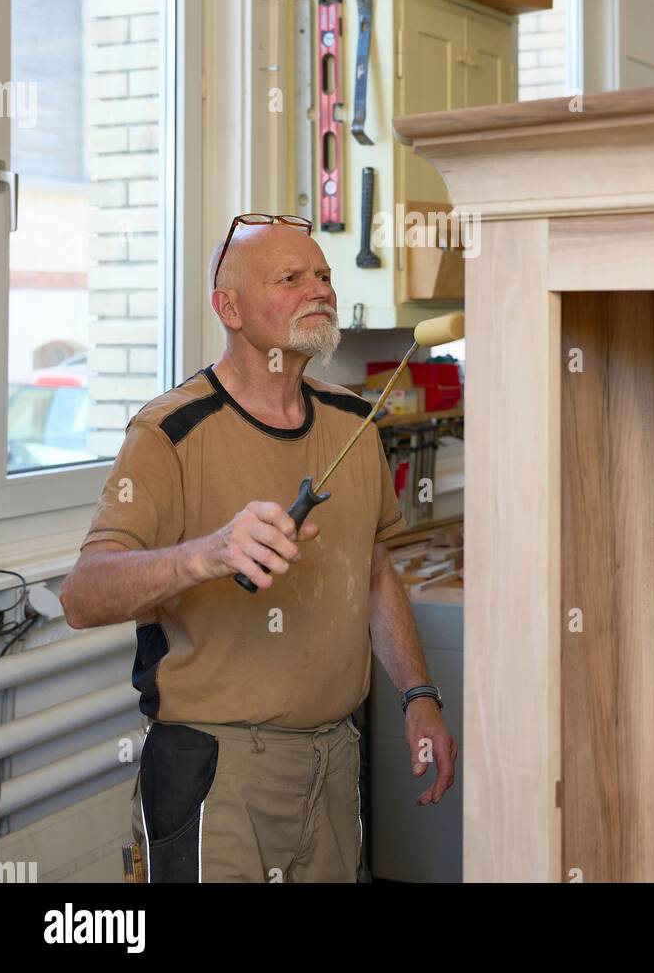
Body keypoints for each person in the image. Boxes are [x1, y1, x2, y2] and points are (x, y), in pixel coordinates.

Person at [60, 213, 456, 883]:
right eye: (292, 277)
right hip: (217, 770)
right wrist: (207, 554)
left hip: (336, 760)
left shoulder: (355, 423)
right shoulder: (169, 431)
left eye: (324, 275)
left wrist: (419, 694)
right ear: (230, 308)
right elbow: (82, 593)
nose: (320, 289)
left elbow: (375, 571)